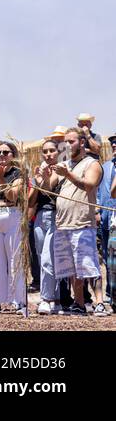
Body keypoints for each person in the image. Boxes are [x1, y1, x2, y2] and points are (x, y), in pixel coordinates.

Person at [51, 126, 102, 316]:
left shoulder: (92, 163)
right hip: (63, 223)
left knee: (89, 266)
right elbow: (49, 185)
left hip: (82, 223)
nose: (67, 145)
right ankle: (79, 303)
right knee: (72, 269)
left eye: (71, 141)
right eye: (66, 142)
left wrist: (68, 175)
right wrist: (45, 177)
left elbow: (88, 185)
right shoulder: (65, 164)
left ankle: (99, 303)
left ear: (82, 142)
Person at [0, 141, 27, 316]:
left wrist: (0, 178)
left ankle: (19, 301)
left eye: (5, 152)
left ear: (12, 155)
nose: (1, 155)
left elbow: (13, 196)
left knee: (15, 260)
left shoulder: (18, 173)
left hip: (12, 214)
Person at [31, 134, 63, 314]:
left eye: (52, 151)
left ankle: (46, 298)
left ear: (58, 152)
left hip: (55, 216)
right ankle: (55, 299)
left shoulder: (61, 169)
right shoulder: (39, 172)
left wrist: (44, 177)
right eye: (45, 152)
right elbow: (31, 200)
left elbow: (50, 189)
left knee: (49, 259)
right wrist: (36, 181)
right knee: (43, 258)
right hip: (39, 216)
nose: (48, 154)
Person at [101, 133, 116, 311]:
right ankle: (111, 294)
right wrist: (98, 210)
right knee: (109, 259)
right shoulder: (105, 167)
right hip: (107, 218)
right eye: (112, 144)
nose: (114, 146)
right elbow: (103, 191)